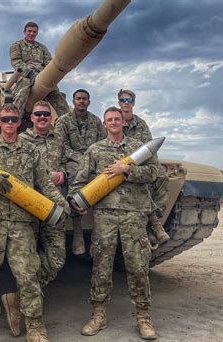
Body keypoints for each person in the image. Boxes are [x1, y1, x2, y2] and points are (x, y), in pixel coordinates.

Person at [0, 103, 69, 342]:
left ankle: (35, 326)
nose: (10, 123)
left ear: (20, 122)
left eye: (13, 119)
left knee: (28, 275)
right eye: (5, 119)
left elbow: (46, 184)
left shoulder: (32, 151)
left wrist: (63, 205)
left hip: (22, 222)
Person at [69, 106, 159, 340]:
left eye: (117, 118)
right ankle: (99, 314)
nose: (114, 122)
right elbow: (79, 180)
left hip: (134, 214)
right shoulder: (95, 150)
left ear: (123, 122)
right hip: (105, 216)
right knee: (101, 265)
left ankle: (143, 317)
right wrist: (78, 201)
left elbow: (153, 173)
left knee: (138, 266)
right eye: (109, 119)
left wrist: (127, 170)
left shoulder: (137, 149)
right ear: (105, 124)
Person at [1, 100, 67, 337]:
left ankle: (20, 294)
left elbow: (70, 159)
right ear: (30, 118)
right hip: (25, 208)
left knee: (56, 258)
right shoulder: (21, 140)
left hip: (50, 207)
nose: (41, 117)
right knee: (23, 259)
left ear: (50, 117)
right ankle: (30, 312)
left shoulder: (59, 138)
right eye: (37, 114)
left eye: (45, 114)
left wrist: (64, 173)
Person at [54, 89, 107, 255]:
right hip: (73, 162)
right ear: (73, 101)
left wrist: (93, 159)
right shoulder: (63, 121)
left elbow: (103, 143)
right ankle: (77, 228)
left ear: (88, 102)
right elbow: (61, 146)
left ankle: (102, 236)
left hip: (94, 160)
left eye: (84, 99)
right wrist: (81, 159)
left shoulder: (96, 121)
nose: (81, 101)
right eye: (78, 99)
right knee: (76, 176)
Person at [118, 89, 170, 244]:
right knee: (141, 183)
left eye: (129, 100)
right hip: (119, 164)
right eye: (123, 100)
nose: (126, 103)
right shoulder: (113, 120)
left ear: (133, 103)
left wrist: (151, 167)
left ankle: (152, 219)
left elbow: (150, 149)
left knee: (161, 177)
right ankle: (153, 223)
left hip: (139, 164)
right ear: (119, 102)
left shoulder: (141, 125)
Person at [9, 21, 69, 117]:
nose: (31, 34)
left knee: (58, 98)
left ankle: (68, 123)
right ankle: (15, 119)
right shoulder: (17, 45)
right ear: (25, 32)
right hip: (25, 76)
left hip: (43, 75)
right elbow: (16, 62)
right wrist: (30, 73)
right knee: (22, 94)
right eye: (29, 31)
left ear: (37, 33)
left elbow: (49, 63)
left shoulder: (42, 48)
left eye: (34, 32)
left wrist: (50, 75)